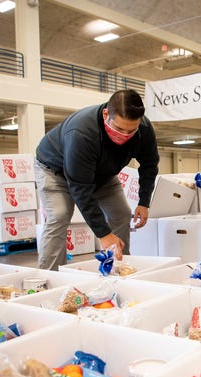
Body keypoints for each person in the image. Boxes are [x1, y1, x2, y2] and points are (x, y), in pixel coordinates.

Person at [35, 89, 159, 270]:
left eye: (131, 131)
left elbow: (149, 164)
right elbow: (80, 187)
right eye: (119, 129)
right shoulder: (82, 132)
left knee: (122, 213)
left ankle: (120, 268)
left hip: (102, 173)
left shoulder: (144, 129)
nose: (124, 136)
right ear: (106, 114)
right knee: (59, 215)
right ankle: (49, 276)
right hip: (54, 169)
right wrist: (104, 234)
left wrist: (144, 202)